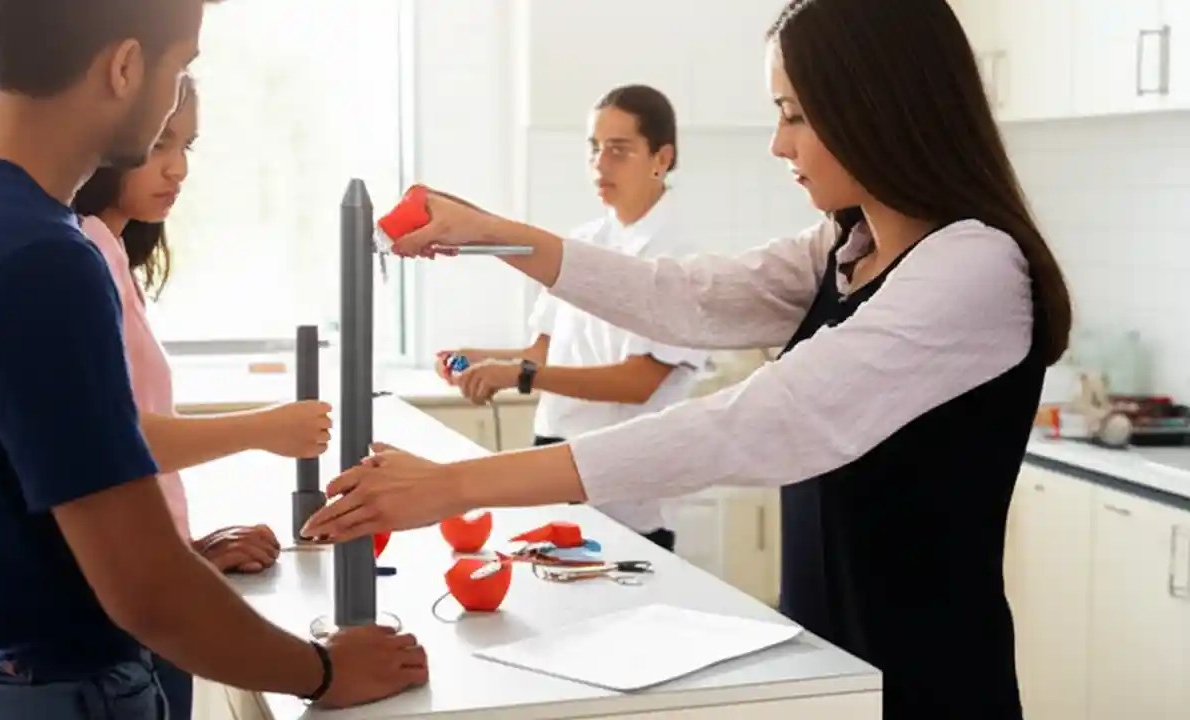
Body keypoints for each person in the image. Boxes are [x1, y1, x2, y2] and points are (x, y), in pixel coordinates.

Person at [304, 0, 1073, 718]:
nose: (780, 143)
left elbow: (764, 421)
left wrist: (456, 484)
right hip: (832, 663)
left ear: (879, 106)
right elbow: (682, 298)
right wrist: (491, 234)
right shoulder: (845, 248)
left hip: (927, 680)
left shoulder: (974, 266)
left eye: (795, 114)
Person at [0, 1, 425, 718]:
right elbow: (147, 593)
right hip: (60, 695)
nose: (171, 102)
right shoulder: (40, 261)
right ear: (124, 67)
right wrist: (323, 671)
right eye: (178, 67)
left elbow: (9, 488)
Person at [68, 74, 320, 720]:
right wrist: (266, 428)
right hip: (127, 615)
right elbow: (118, 437)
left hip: (153, 581)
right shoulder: (84, 250)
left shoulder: (114, 251)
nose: (177, 168)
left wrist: (188, 552)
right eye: (159, 144)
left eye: (187, 147)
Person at [435, 85, 709, 553]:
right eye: (594, 149)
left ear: (661, 157)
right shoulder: (581, 244)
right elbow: (544, 352)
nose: (600, 165)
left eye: (618, 150)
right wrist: (482, 360)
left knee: (622, 612)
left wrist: (520, 375)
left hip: (621, 477)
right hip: (554, 452)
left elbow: (638, 381)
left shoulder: (681, 260)